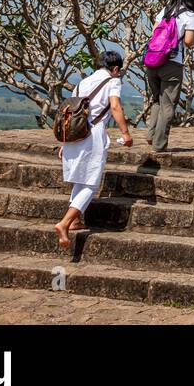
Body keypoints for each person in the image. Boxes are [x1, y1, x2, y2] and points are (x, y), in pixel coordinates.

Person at [55, 51, 132, 248]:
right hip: (93, 135)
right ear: (115, 69)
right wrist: (125, 133)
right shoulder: (113, 81)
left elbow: (69, 114)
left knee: (80, 179)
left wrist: (65, 143)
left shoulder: (82, 83)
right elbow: (115, 107)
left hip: (74, 135)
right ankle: (64, 222)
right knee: (90, 184)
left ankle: (74, 221)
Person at [146, 0, 194, 153]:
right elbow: (190, 41)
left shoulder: (165, 10)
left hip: (153, 61)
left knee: (156, 100)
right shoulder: (189, 14)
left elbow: (155, 32)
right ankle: (159, 144)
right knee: (168, 104)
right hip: (172, 63)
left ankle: (151, 134)